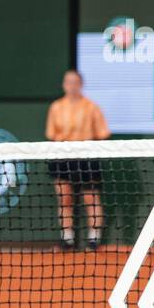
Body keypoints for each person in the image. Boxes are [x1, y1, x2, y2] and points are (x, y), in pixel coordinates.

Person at [45, 70, 109, 250]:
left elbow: (103, 133)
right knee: (65, 199)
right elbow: (51, 133)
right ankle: (67, 239)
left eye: (75, 82)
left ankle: (94, 239)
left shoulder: (92, 107)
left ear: (81, 84)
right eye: (68, 82)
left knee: (91, 199)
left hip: (86, 158)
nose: (72, 86)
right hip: (62, 158)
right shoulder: (56, 107)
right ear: (64, 85)